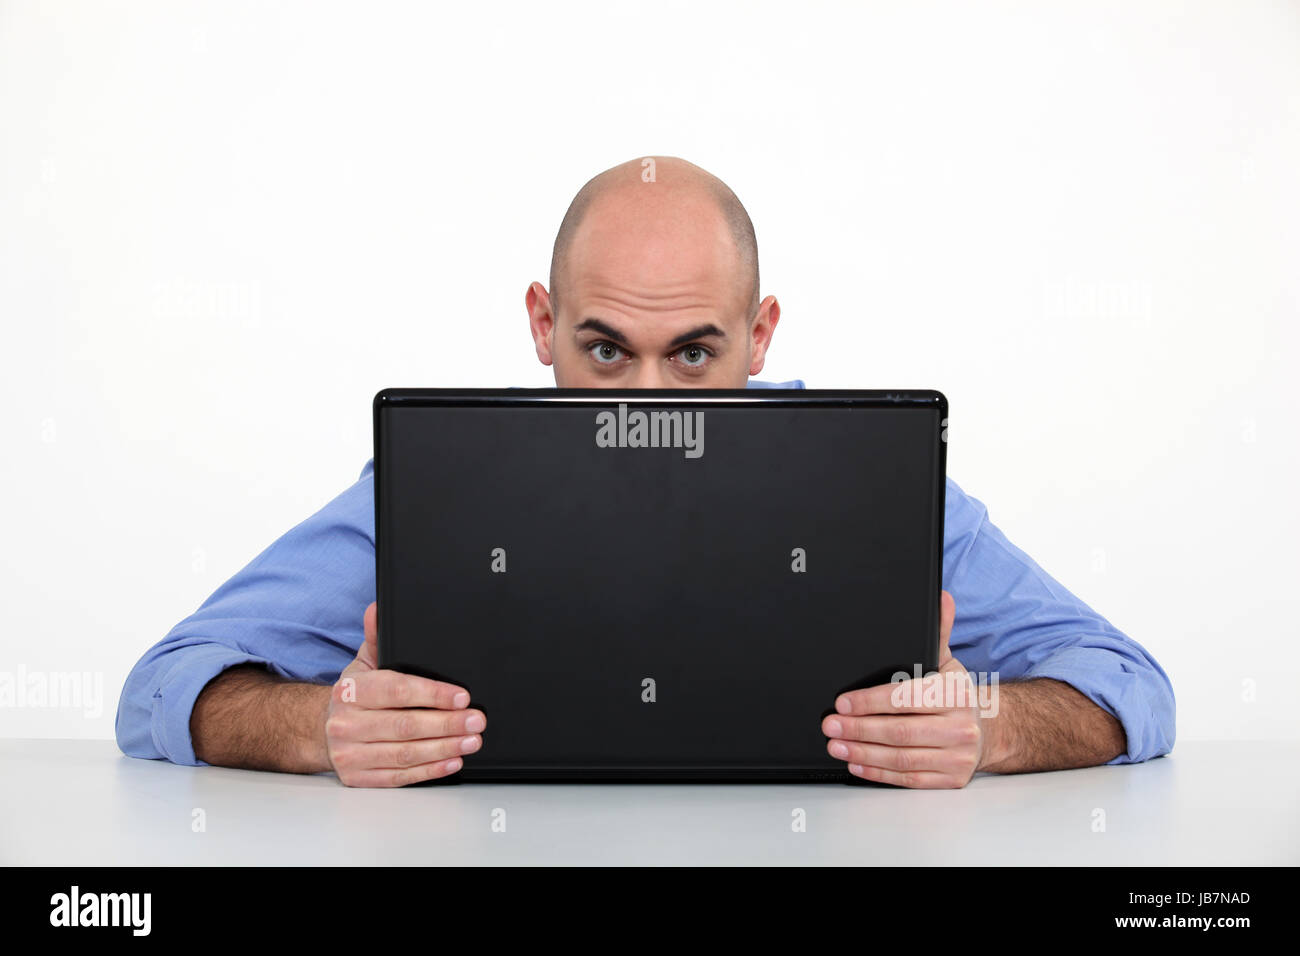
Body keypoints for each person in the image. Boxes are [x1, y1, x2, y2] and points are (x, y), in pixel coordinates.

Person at [115, 157, 1175, 788]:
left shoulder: (875, 486)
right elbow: (161, 685)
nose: (649, 405)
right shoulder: (441, 483)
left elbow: (1128, 683)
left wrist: (987, 724)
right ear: (543, 325)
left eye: (696, 354)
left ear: (760, 335)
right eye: (607, 350)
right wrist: (317, 728)